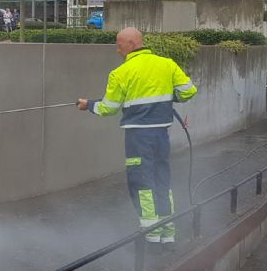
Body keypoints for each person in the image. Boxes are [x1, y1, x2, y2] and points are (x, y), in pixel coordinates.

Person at [78, 27, 197, 244]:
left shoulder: (121, 73)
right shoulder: (167, 64)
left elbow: (109, 108)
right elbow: (189, 91)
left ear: (131, 44)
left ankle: (151, 236)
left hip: (138, 137)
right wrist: (167, 99)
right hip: (161, 135)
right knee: (162, 180)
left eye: (119, 45)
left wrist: (89, 105)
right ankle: (167, 235)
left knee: (142, 183)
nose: (117, 50)